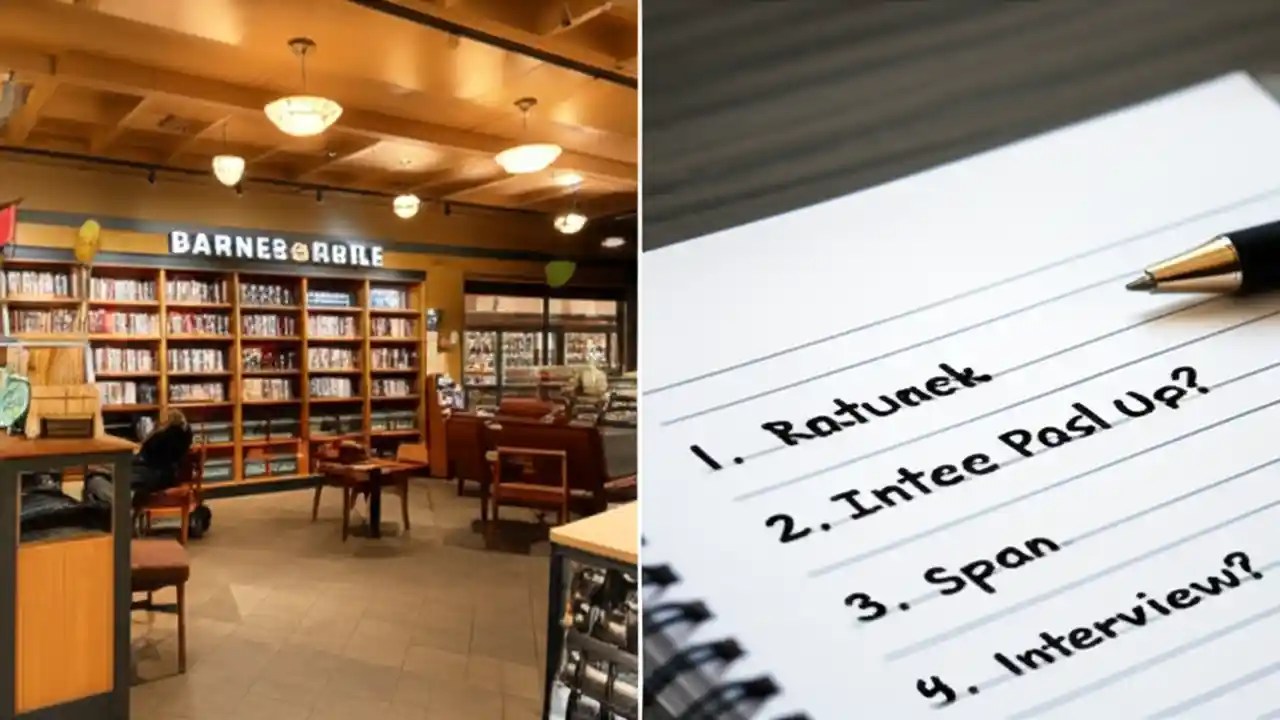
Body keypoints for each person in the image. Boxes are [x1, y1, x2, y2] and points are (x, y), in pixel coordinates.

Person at [84, 409, 193, 509]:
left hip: (151, 473)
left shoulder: (170, 436)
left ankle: (126, 502)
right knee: (98, 476)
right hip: (149, 470)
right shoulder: (172, 437)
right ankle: (123, 501)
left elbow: (155, 454)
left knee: (96, 479)